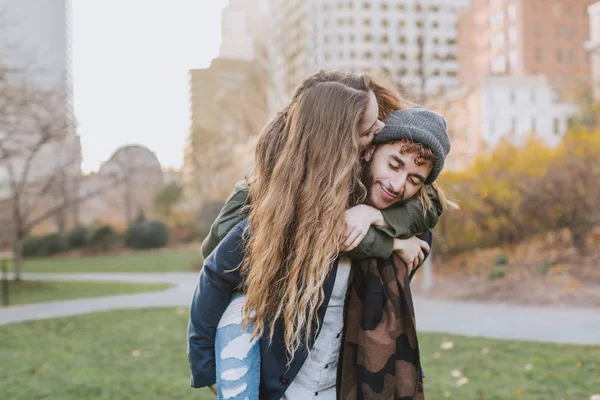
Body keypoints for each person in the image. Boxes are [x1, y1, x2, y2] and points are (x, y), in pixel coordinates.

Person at [188, 75, 450, 400]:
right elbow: (216, 267)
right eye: (393, 164)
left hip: (344, 386)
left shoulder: (412, 225)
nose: (398, 185)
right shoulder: (296, 203)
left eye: (414, 179)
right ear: (365, 152)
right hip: (283, 385)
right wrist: (205, 367)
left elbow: (428, 206)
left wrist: (377, 218)